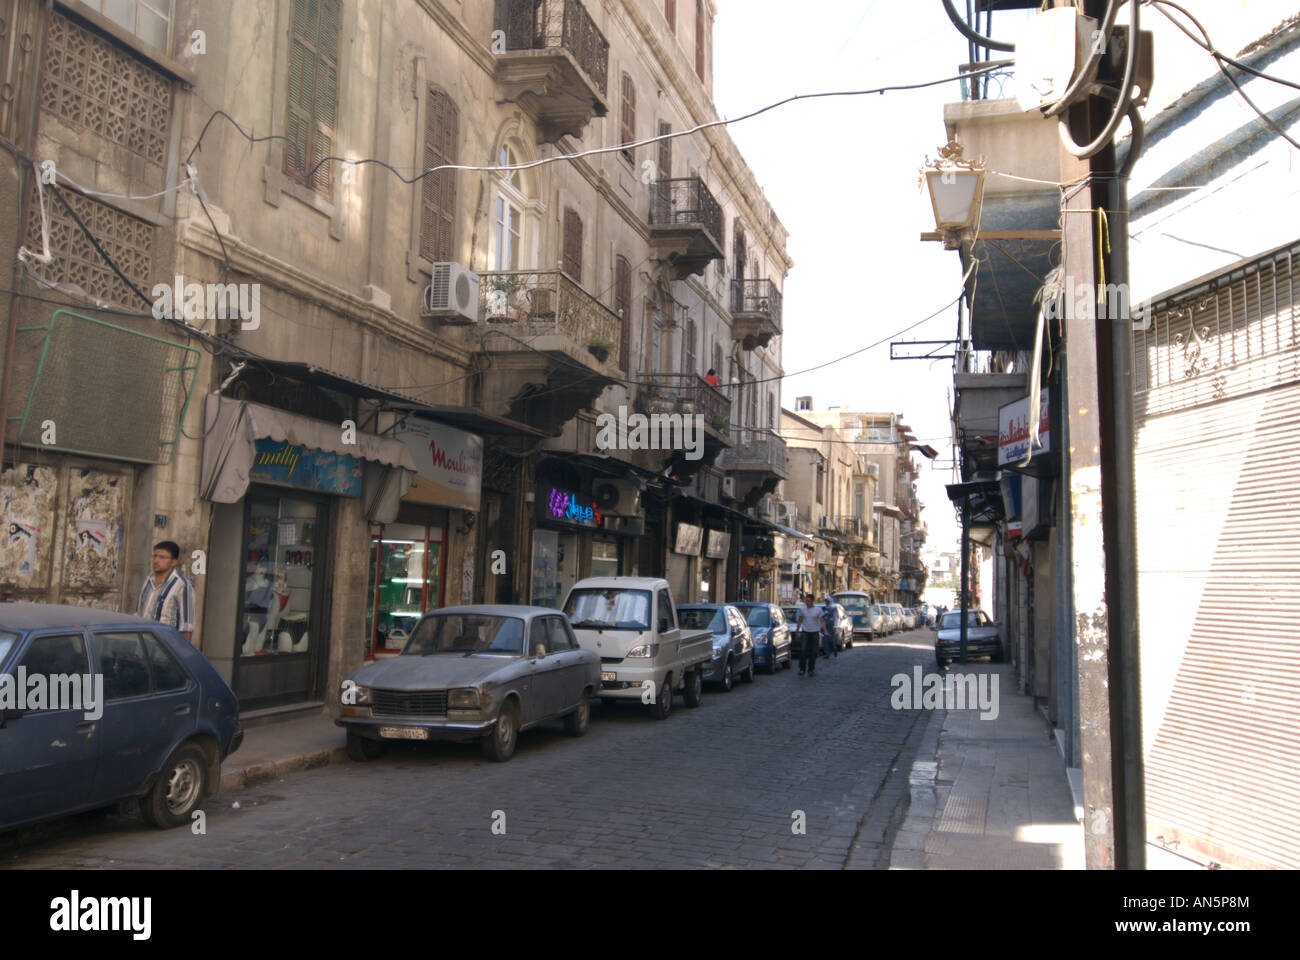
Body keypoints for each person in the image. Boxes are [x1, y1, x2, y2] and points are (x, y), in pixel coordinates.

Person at [136, 540, 197, 641]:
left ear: (174, 562)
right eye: (155, 556)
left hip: (166, 645)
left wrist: (181, 652)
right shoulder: (148, 581)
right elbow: (139, 614)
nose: (156, 561)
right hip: (144, 645)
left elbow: (187, 626)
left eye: (162, 557)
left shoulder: (182, 585)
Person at [793, 594, 825, 677]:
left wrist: (825, 631)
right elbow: (800, 620)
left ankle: (811, 669)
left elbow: (822, 621)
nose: (807, 602)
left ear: (812, 601)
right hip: (805, 632)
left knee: (813, 652)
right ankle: (802, 669)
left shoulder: (818, 610)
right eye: (806, 601)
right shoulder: (803, 610)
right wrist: (797, 631)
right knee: (803, 651)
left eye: (808, 601)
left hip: (815, 632)